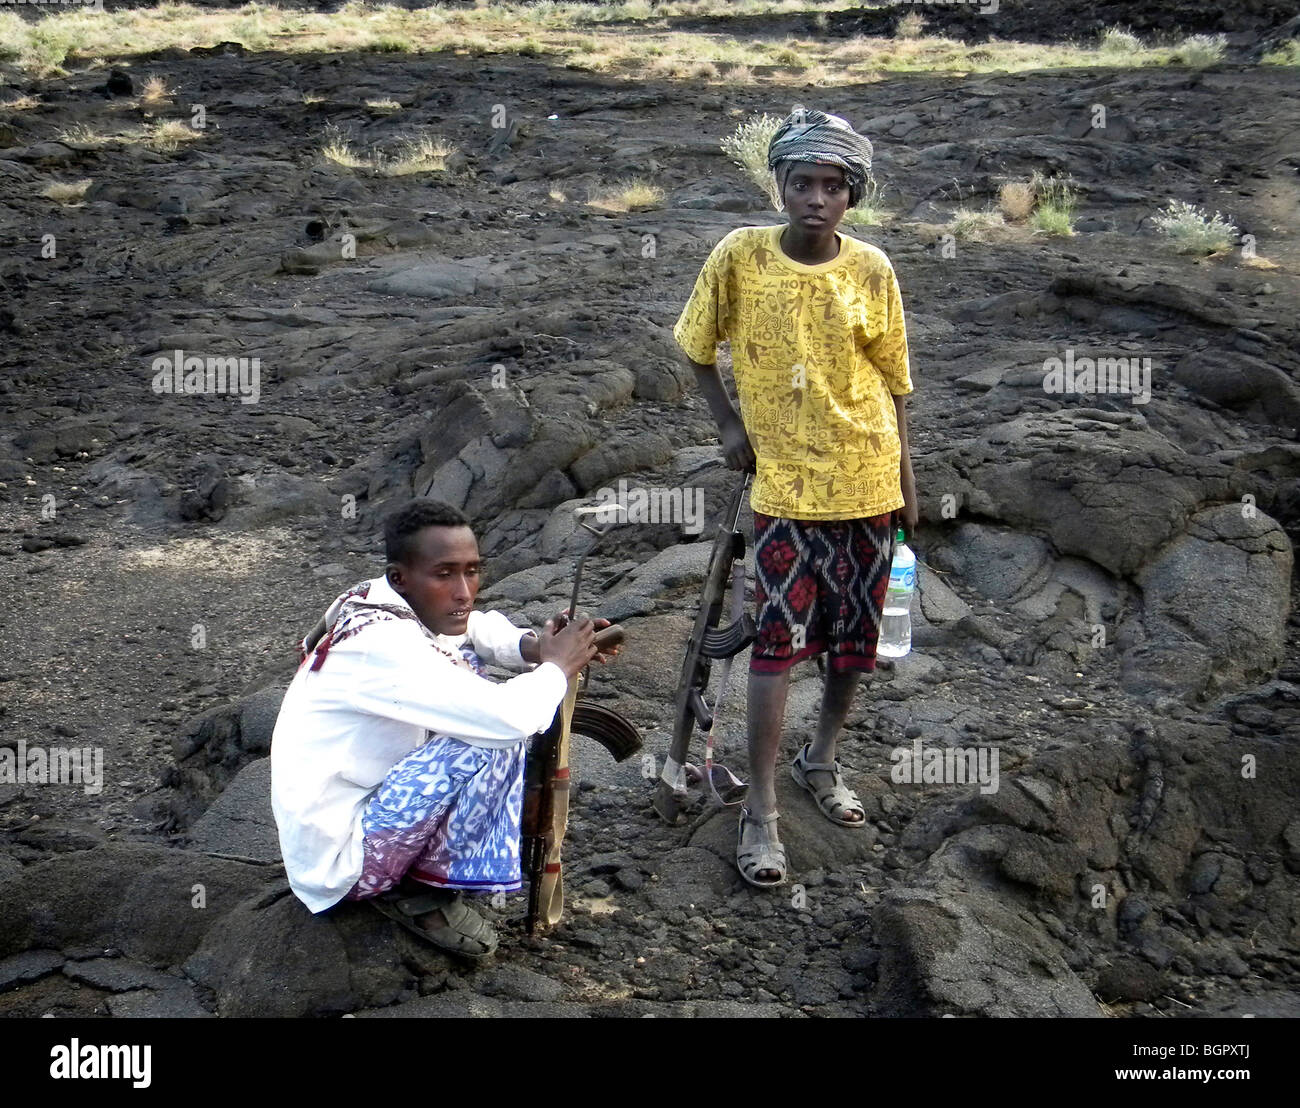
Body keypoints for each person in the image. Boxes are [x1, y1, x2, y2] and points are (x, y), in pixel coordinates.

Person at [672, 106, 919, 887]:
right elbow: (695, 347)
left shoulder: (872, 268)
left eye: (833, 185)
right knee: (774, 647)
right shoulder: (740, 256)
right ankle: (761, 810)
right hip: (784, 488)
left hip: (868, 477)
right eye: (803, 182)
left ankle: (824, 758)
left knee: (855, 639)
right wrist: (728, 428)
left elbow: (895, 379)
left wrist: (909, 477)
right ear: (778, 185)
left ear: (853, 195)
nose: (817, 197)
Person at [270, 498, 616, 957]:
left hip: (353, 808)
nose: (464, 591)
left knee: (470, 669)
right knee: (495, 738)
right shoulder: (382, 645)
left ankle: (420, 871)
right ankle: (415, 890)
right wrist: (557, 668)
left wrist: (533, 648)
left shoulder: (377, 599)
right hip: (341, 861)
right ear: (401, 577)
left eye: (472, 571)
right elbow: (508, 719)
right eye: (445, 573)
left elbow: (470, 627)